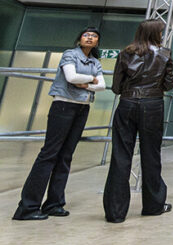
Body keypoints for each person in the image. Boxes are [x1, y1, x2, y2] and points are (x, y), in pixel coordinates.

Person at [13, 27, 105, 220]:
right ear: (79, 39)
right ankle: (27, 207)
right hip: (63, 106)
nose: (89, 38)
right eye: (86, 35)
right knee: (49, 154)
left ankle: (54, 204)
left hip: (82, 109)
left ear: (97, 42)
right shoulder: (70, 54)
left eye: (94, 36)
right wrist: (91, 79)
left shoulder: (95, 61)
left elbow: (102, 86)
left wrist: (85, 83)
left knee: (65, 156)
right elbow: (71, 77)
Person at [103, 19, 173, 223]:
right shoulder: (165, 54)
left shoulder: (125, 53)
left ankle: (115, 212)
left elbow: (116, 87)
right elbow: (169, 85)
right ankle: (153, 205)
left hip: (127, 103)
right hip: (152, 105)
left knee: (120, 155)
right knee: (151, 155)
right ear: (155, 33)